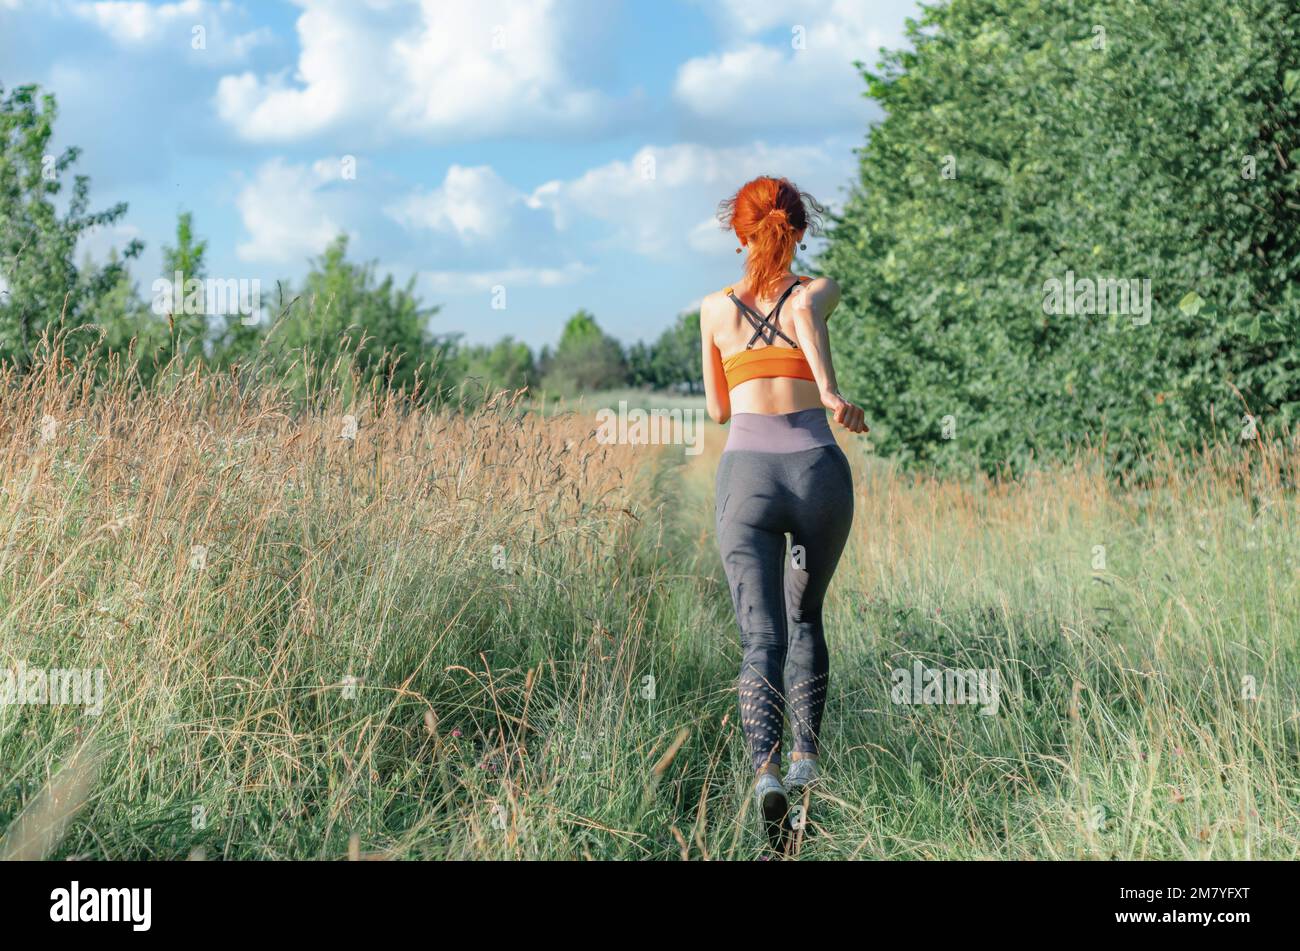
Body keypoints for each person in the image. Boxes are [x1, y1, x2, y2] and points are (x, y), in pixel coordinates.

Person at [699, 175, 868, 849]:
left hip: (749, 477)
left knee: (761, 639)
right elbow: (802, 313)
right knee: (808, 619)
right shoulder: (817, 288)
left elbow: (717, 410)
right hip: (817, 472)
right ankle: (805, 765)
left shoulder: (714, 309)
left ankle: (765, 774)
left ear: (740, 233)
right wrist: (826, 390)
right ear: (798, 229)